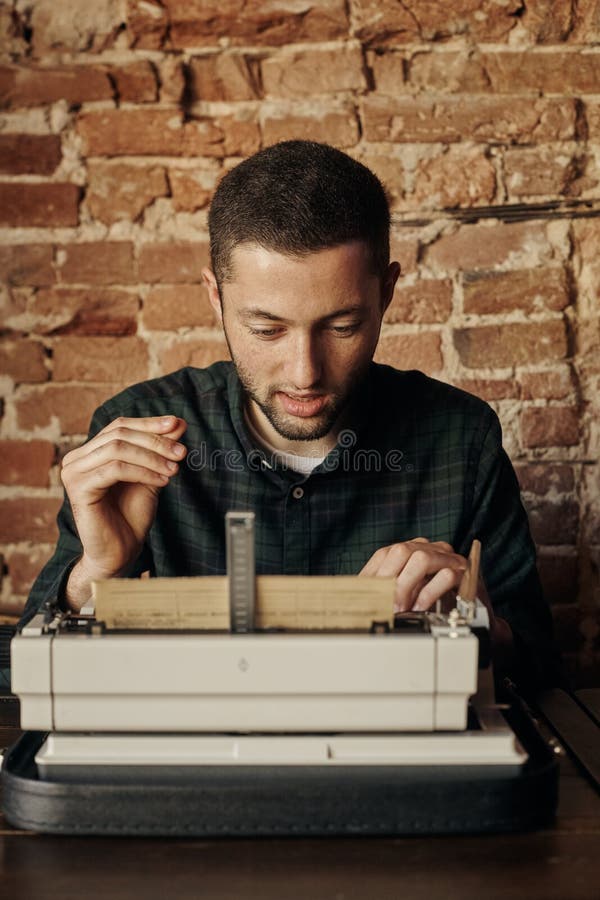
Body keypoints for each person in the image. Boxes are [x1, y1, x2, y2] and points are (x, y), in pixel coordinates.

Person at [21, 140, 561, 694]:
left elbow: (546, 672)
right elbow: (17, 681)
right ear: (216, 297)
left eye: (342, 327)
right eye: (267, 330)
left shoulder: (461, 440)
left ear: (387, 293)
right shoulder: (134, 432)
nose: (305, 373)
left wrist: (478, 623)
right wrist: (97, 573)